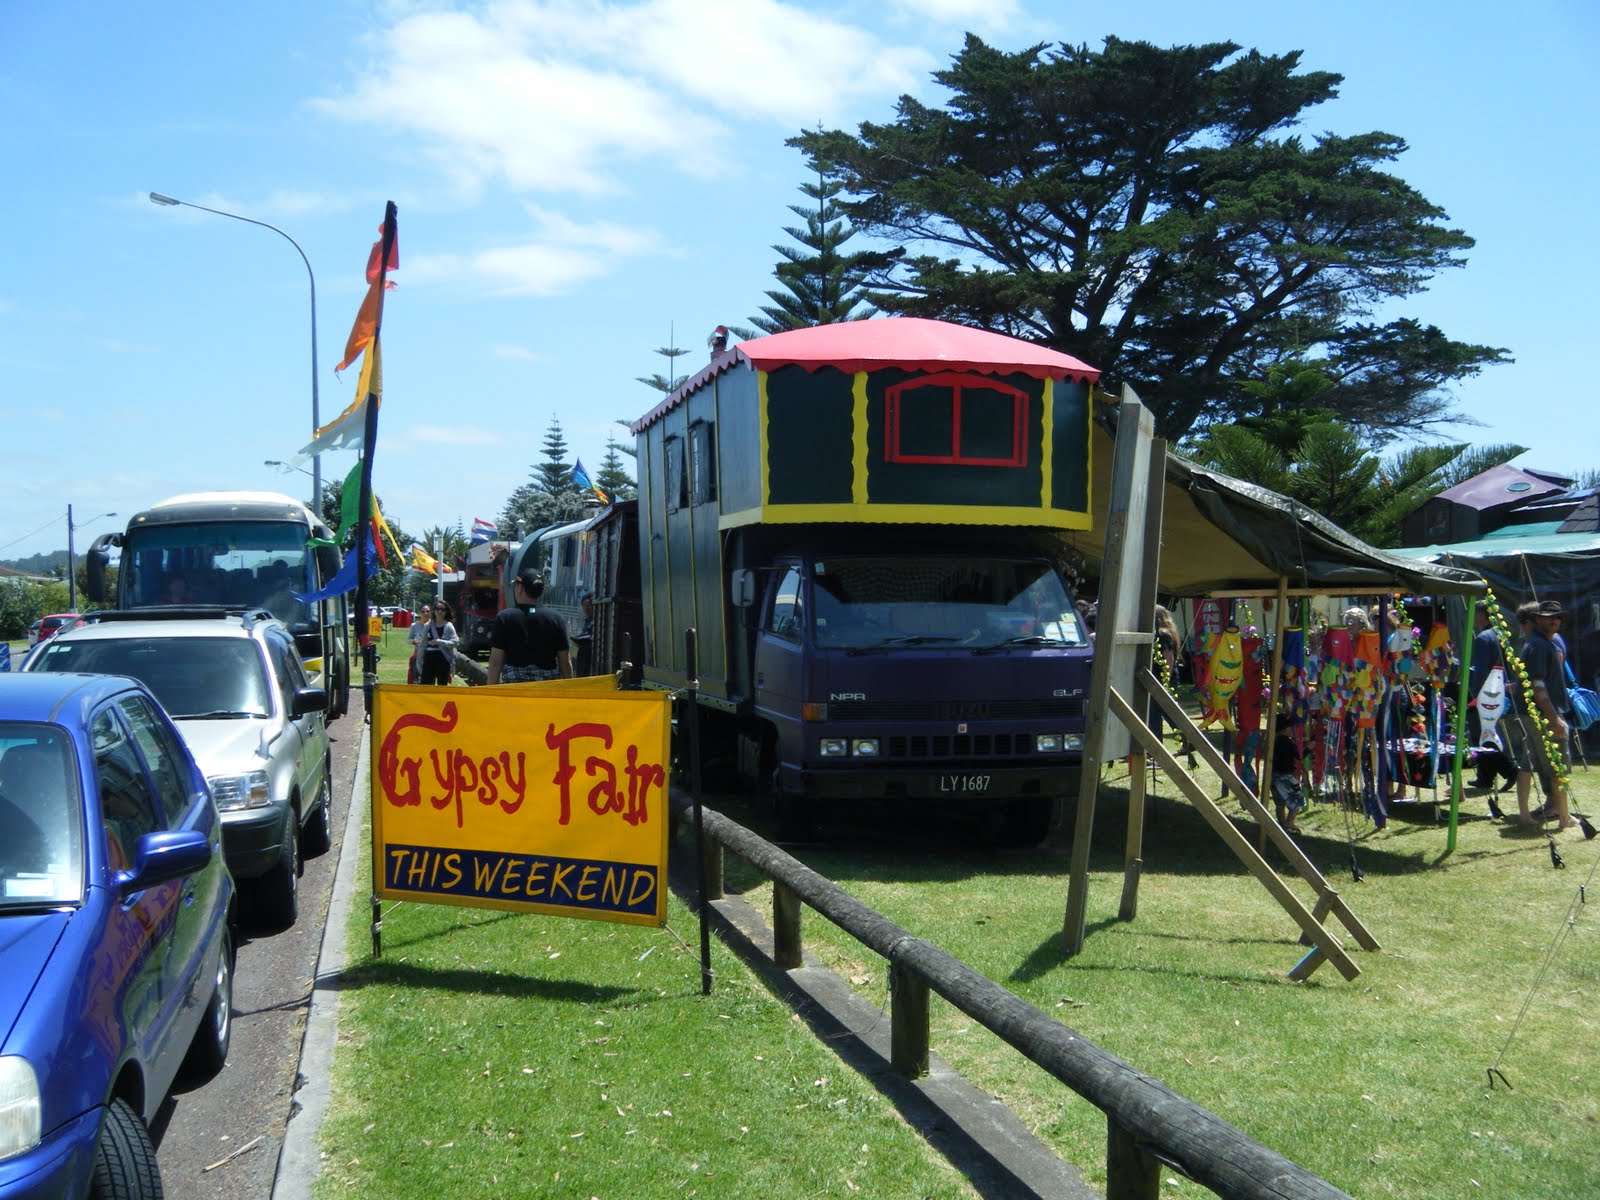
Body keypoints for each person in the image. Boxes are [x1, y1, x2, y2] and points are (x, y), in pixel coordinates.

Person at [1521, 599, 1576, 830]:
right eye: (1548, 617)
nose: (1554, 620)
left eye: (1557, 617)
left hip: (1535, 714)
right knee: (1558, 766)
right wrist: (1554, 719)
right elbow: (1539, 688)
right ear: (1537, 619)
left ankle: (1526, 815)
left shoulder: (1541, 643)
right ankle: (1564, 818)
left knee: (1527, 763)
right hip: (1543, 715)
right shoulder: (1540, 646)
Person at [487, 569, 573, 684]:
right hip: (546, 687)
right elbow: (565, 662)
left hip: (516, 688)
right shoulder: (556, 618)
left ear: (519, 588)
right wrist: (568, 689)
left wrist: (491, 690)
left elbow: (495, 663)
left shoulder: (504, 618)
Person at [410, 600, 459, 686]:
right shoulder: (427, 625)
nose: (440, 611)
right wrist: (419, 660)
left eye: (443, 609)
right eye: (437, 609)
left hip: (443, 658)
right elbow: (423, 645)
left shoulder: (449, 626)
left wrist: (439, 642)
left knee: (442, 685)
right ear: (434, 610)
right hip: (429, 657)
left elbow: (455, 642)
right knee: (425, 684)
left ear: (446, 612)